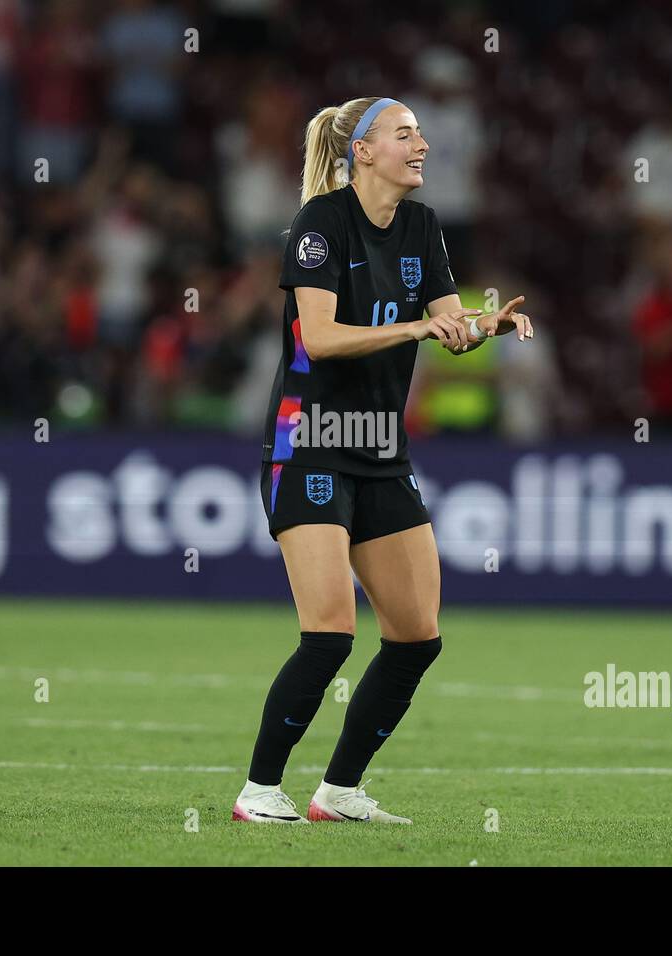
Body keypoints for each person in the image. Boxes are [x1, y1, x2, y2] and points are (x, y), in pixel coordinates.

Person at [233, 96, 533, 824]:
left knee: (416, 636)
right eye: (406, 134)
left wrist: (477, 328)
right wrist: (419, 327)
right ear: (363, 152)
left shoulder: (423, 226)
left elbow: (446, 324)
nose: (423, 144)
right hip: (307, 444)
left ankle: (337, 792)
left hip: (378, 449)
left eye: (422, 132)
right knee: (331, 632)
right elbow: (324, 338)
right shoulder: (319, 225)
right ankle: (258, 791)